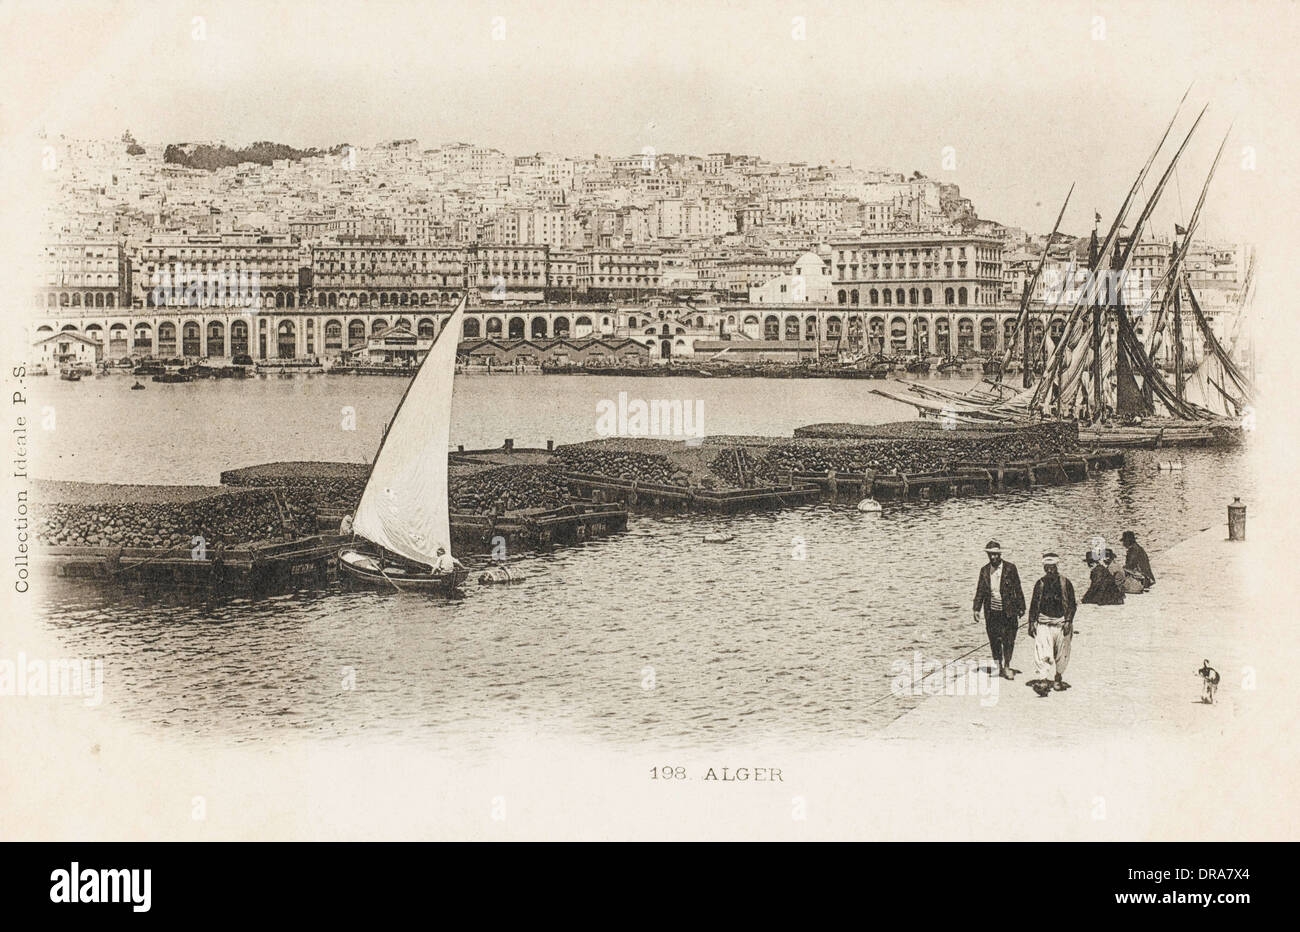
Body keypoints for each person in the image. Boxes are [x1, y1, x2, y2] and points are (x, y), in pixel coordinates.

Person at [972, 539, 1026, 680]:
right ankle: (998, 666)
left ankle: (1007, 666)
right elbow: (980, 591)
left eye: (996, 554)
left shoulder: (1010, 568)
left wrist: (1021, 607)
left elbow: (1018, 588)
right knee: (994, 639)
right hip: (991, 611)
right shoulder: (984, 571)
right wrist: (976, 609)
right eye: (990, 554)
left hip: (1008, 611)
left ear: (1000, 554)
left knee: (1009, 639)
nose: (993, 557)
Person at [1027, 552, 1077, 697]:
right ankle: (1043, 680)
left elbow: (1072, 604)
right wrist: (1031, 622)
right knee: (1042, 652)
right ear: (1044, 568)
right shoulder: (1040, 584)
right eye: (1047, 567)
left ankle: (1058, 678)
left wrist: (1068, 620)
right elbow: (1034, 604)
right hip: (1043, 623)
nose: (1050, 570)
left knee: (1062, 654)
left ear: (1057, 566)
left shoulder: (1066, 583)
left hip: (1061, 623)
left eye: (1052, 567)